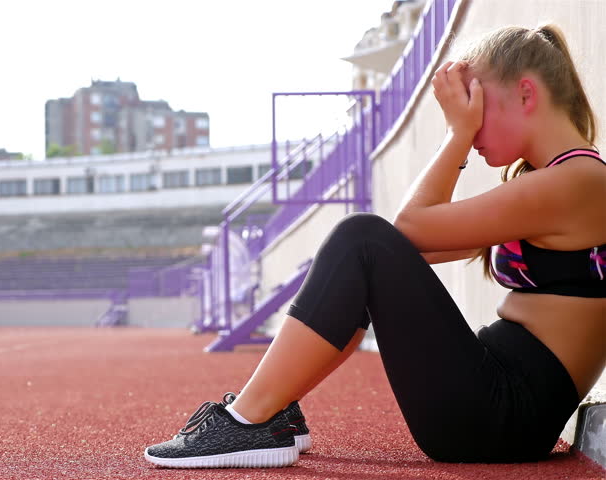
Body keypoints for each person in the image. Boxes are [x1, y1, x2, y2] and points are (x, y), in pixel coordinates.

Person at [144, 24, 606, 468]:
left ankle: (248, 420)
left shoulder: (577, 182)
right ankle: (268, 411)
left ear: (526, 93)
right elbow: (407, 249)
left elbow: (407, 228)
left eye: (476, 109)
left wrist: (456, 136)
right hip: (500, 400)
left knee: (360, 237)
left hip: (504, 414)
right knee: (362, 249)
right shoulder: (552, 182)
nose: (471, 124)